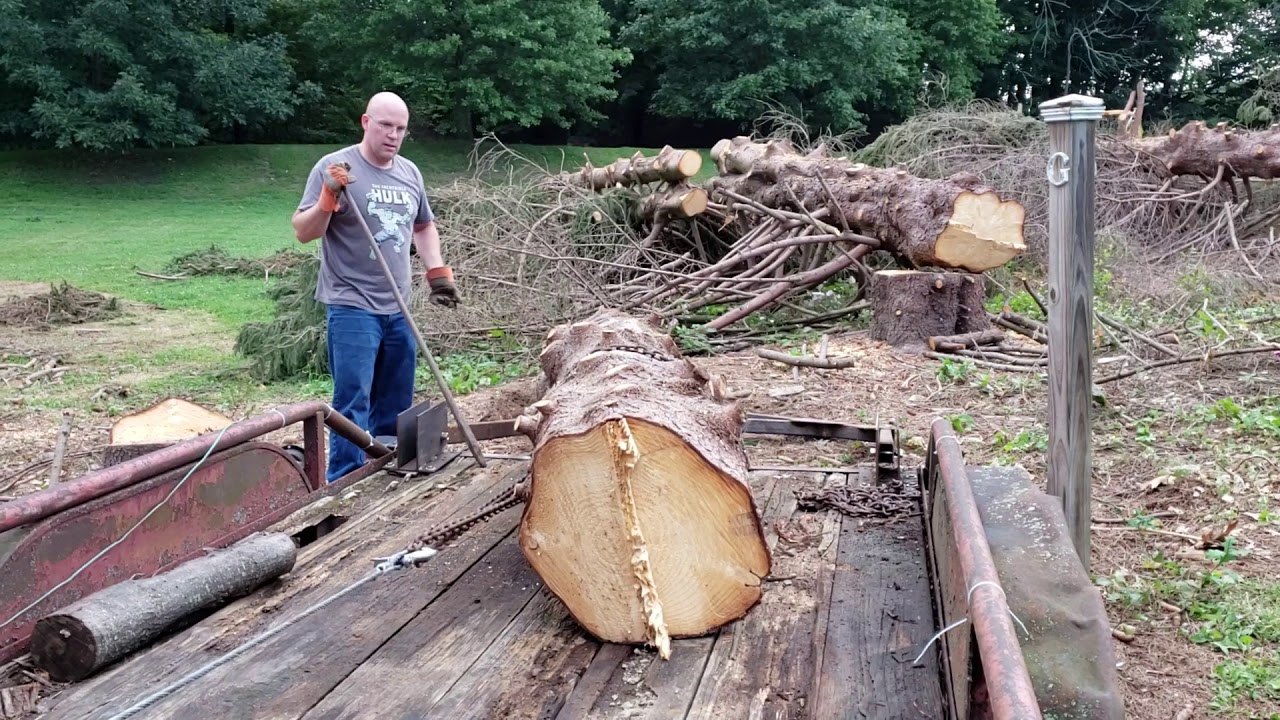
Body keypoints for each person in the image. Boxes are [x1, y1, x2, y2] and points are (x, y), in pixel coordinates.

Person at [292, 91, 458, 482]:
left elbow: (423, 224)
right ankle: (346, 480)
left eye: (401, 128)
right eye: (385, 125)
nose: (393, 135)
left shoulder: (409, 173)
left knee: (396, 401)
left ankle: (385, 471)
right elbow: (304, 232)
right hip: (352, 305)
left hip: (398, 307)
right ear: (366, 122)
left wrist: (437, 272)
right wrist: (328, 198)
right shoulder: (335, 168)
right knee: (352, 402)